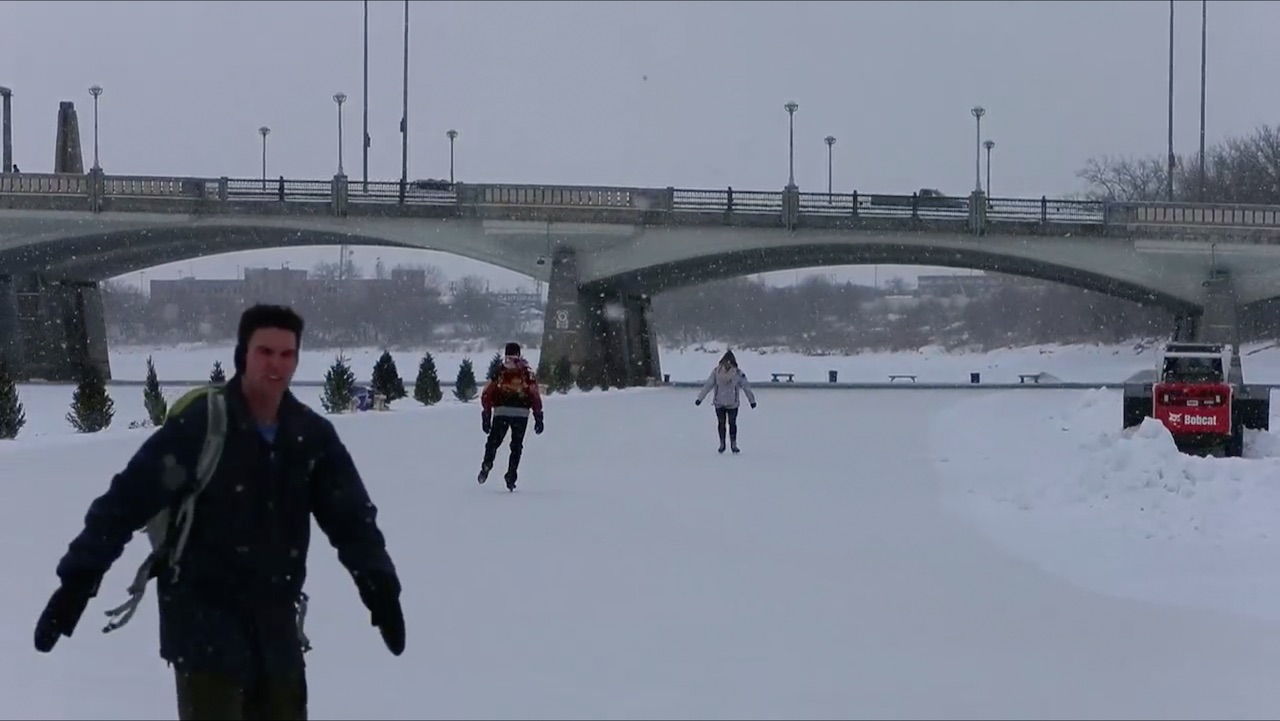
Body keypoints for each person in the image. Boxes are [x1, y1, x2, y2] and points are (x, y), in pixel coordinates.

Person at [33, 304, 405, 720]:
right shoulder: (201, 427)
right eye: (265, 352)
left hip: (275, 626)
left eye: (287, 354)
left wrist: (379, 586)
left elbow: (352, 518)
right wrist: (77, 583)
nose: (276, 365)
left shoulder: (310, 435)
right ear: (242, 355)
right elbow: (124, 503)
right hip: (202, 628)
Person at [478, 342, 544, 491]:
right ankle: (511, 476)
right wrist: (538, 416)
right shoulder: (527, 372)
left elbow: (487, 393)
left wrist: (486, 414)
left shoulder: (499, 371)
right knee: (516, 446)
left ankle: (487, 464)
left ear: (506, 354)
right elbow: (534, 395)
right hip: (521, 414)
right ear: (519, 354)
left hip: (501, 411)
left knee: (493, 442)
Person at [694, 349, 757, 453]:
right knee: (721, 423)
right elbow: (708, 385)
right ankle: (722, 443)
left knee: (732, 423)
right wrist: (700, 398)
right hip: (719, 403)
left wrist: (752, 401)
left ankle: (733, 443)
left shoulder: (738, 373)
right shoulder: (716, 372)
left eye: (729, 363)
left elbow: (746, 387)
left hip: (732, 403)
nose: (727, 365)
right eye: (725, 362)